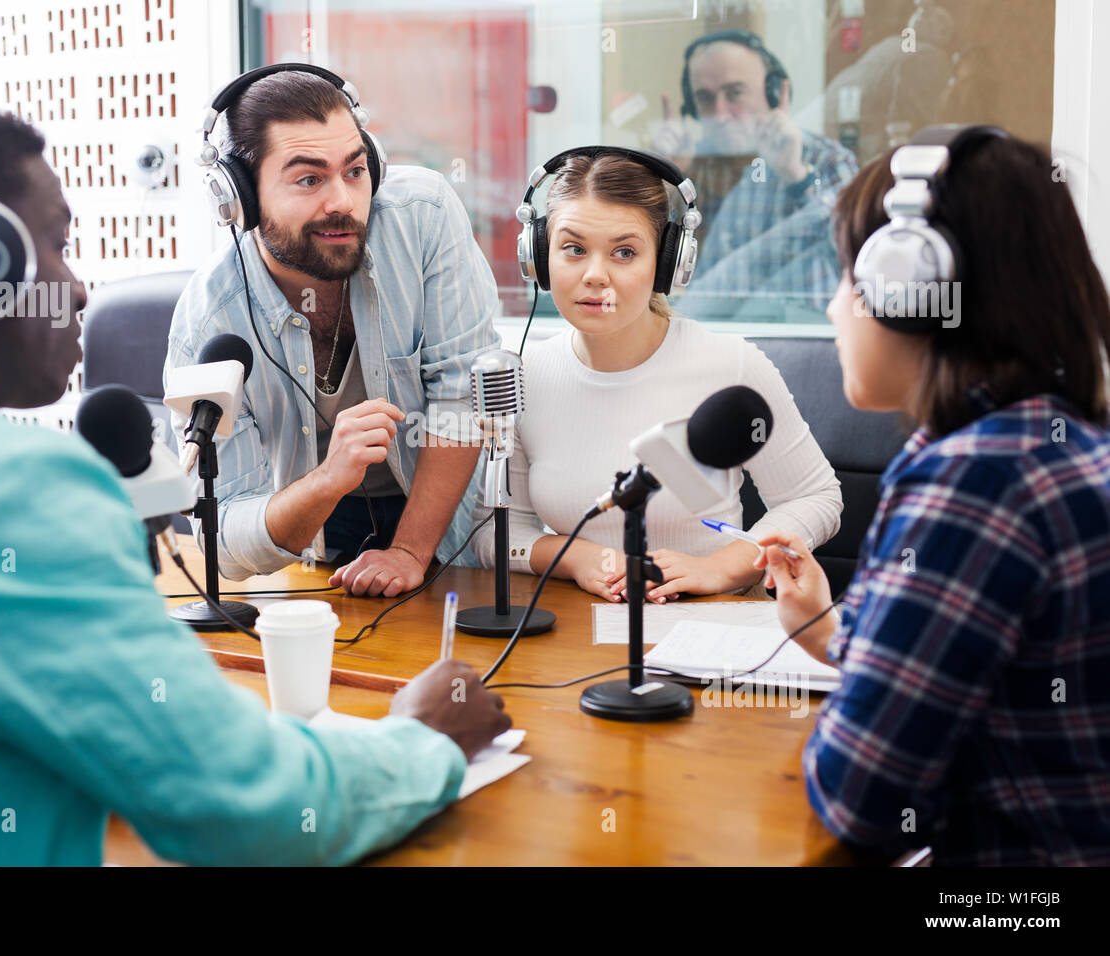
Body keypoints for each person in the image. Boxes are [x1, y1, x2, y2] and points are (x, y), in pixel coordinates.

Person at [0, 95, 509, 866]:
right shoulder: (1, 489)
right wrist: (423, 741)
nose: (79, 288)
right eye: (56, 244)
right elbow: (248, 808)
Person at [756, 126, 1110, 865]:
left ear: (910, 289)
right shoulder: (1062, 441)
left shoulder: (976, 481)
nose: (832, 309)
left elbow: (862, 796)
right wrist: (836, 632)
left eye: (847, 278)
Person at [165, 64, 500, 597]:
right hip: (308, 543)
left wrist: (410, 550)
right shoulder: (211, 321)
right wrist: (328, 479)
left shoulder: (423, 217)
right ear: (240, 199)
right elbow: (223, 540)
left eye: (354, 170)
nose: (342, 200)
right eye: (309, 178)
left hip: (443, 520)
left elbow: (466, 394)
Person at [472, 148, 842, 603]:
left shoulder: (731, 365)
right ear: (540, 255)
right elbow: (495, 535)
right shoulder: (523, 375)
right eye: (573, 249)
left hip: (714, 627)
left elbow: (816, 497)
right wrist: (578, 558)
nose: (594, 275)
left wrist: (719, 569)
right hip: (578, 637)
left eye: (624, 253)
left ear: (667, 263)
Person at [651, 29, 859, 321]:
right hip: (711, 339)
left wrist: (797, 177)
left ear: (774, 93)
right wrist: (664, 184)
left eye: (735, 93)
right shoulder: (691, 167)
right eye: (705, 98)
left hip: (799, 338)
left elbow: (859, 265)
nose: (720, 113)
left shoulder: (825, 160)